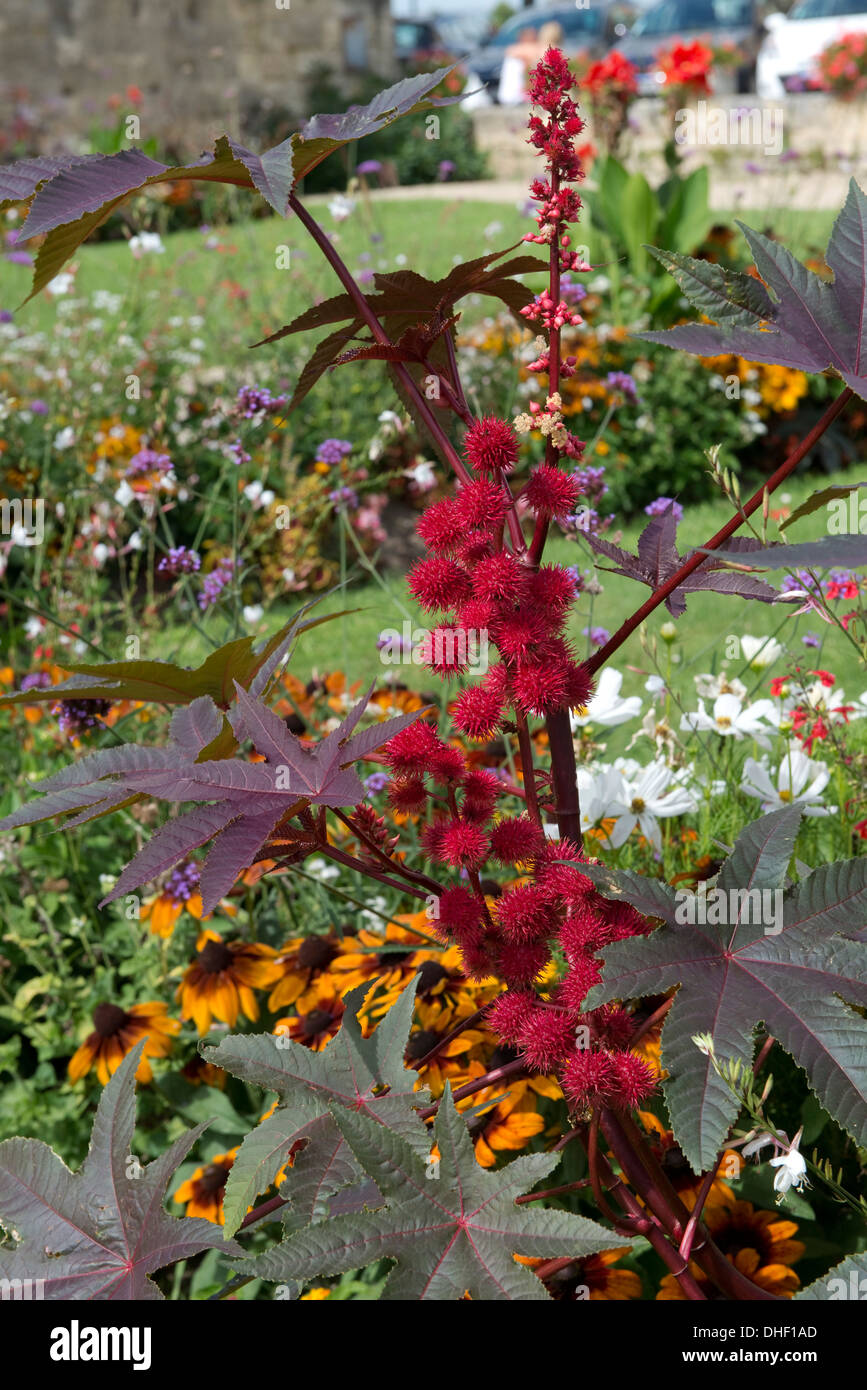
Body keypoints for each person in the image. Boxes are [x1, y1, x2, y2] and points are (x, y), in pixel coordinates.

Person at [498, 21, 564, 104]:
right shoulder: (558, 52)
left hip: (514, 97)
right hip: (521, 97)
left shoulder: (538, 49)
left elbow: (510, 51)